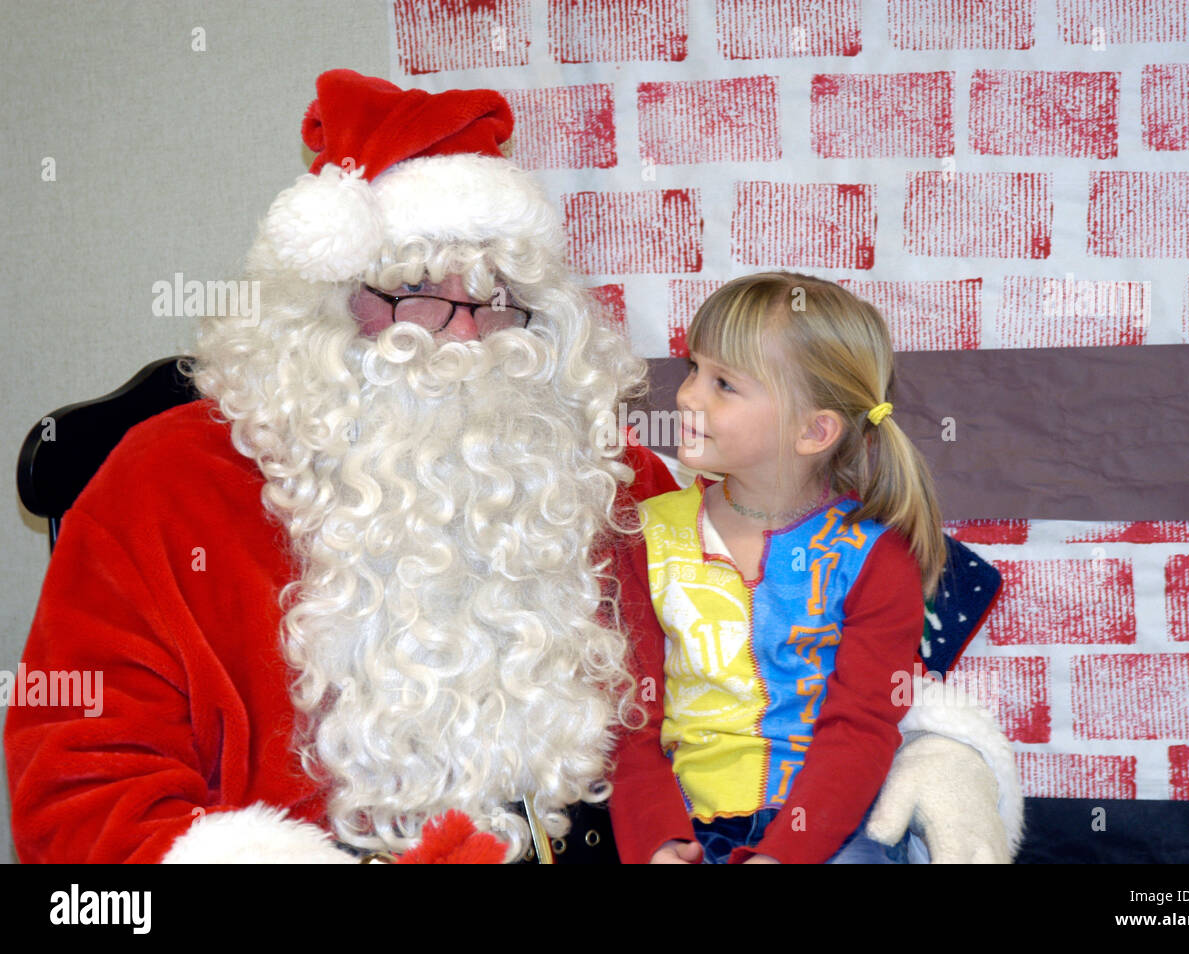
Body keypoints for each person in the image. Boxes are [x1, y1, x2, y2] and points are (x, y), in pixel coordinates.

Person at [7, 71, 1020, 863]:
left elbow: (772, 646)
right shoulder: (165, 484)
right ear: (320, 298)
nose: (460, 338)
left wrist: (936, 742)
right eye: (415, 293)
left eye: (499, 302)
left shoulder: (594, 469)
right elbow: (79, 794)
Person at [610, 272, 1013, 864]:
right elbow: (630, 714)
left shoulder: (876, 554)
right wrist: (657, 841)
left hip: (829, 833)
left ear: (814, 430)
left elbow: (862, 728)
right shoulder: (642, 533)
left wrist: (786, 853)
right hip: (686, 826)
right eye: (693, 368)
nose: (689, 395)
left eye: (723, 383)